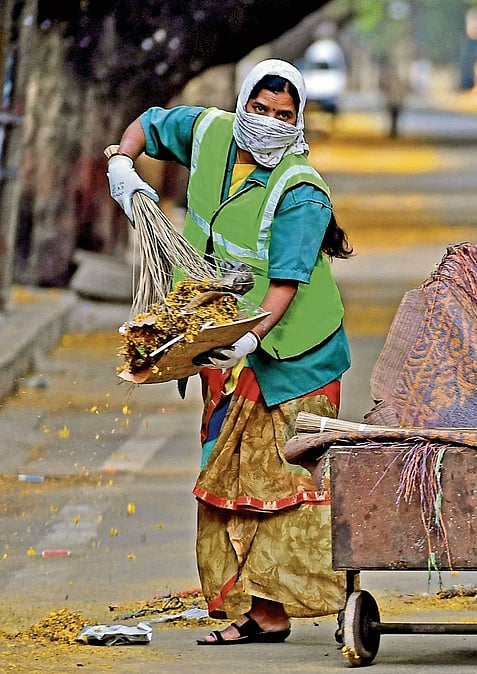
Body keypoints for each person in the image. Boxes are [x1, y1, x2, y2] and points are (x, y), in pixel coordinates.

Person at [105, 58, 353, 646]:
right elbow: (150, 123)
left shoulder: (301, 192)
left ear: (299, 124)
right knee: (219, 469)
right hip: (220, 338)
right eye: (260, 110)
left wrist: (247, 340)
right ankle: (249, 610)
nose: (268, 123)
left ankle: (281, 607)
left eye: (283, 116)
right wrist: (122, 160)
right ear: (243, 105)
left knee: (277, 481)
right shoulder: (213, 132)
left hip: (294, 355)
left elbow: (286, 286)